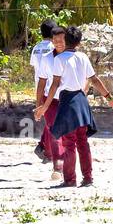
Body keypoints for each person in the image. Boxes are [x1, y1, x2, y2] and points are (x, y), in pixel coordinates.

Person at [34, 25, 113, 188]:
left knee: (68, 143)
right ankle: (88, 178)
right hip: (81, 100)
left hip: (67, 100)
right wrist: (109, 97)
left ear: (66, 40)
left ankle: (70, 179)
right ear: (78, 43)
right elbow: (94, 80)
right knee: (82, 142)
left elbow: (54, 85)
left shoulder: (59, 59)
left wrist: (44, 106)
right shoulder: (83, 56)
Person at [36, 25, 68, 179]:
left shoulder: (73, 56)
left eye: (61, 40)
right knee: (55, 132)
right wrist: (38, 105)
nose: (58, 43)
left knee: (69, 133)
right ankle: (58, 165)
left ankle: (69, 163)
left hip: (69, 99)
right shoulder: (46, 58)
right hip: (51, 100)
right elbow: (41, 83)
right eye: (55, 40)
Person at [30, 19, 57, 164]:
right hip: (51, 89)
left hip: (39, 87)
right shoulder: (55, 47)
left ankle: (43, 146)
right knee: (51, 122)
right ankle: (46, 150)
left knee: (50, 120)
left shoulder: (36, 48)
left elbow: (34, 66)